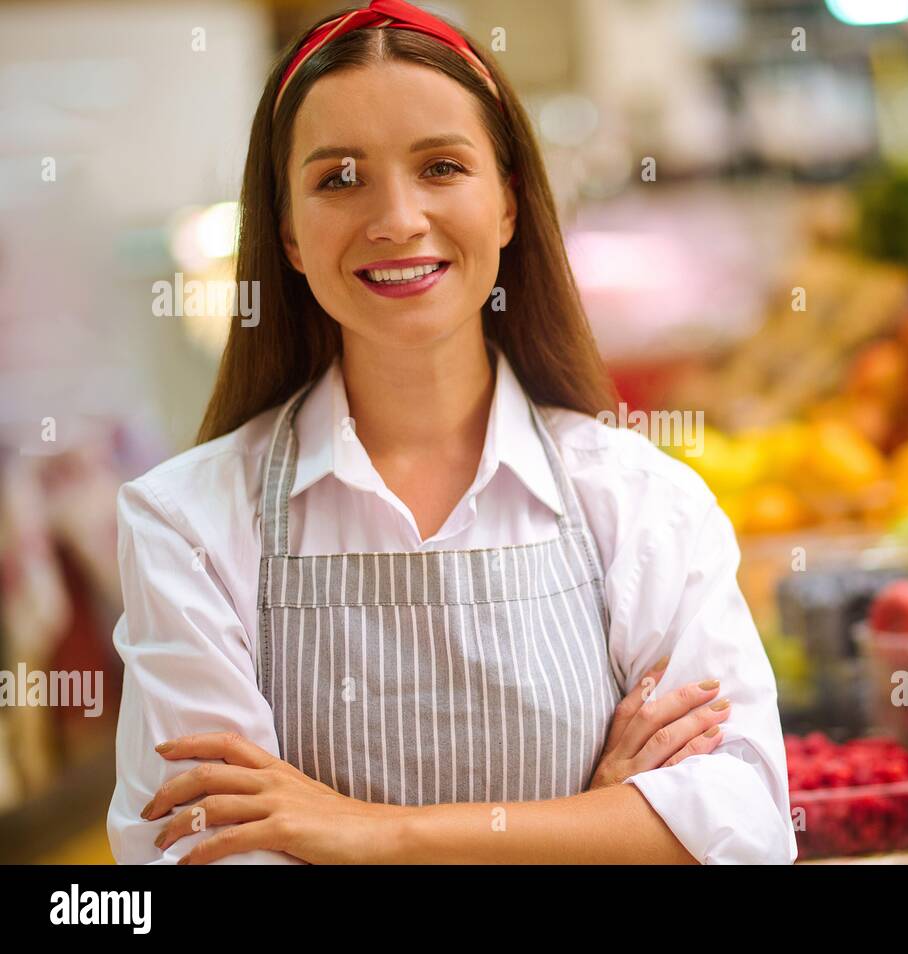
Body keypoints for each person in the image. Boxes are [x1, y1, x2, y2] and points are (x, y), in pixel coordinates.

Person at [107, 0, 795, 864]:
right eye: (339, 178)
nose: (396, 219)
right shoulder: (186, 524)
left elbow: (745, 825)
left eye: (440, 167)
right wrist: (594, 826)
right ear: (285, 231)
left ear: (508, 202)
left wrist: (375, 835)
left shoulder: (642, 500)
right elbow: (203, 849)